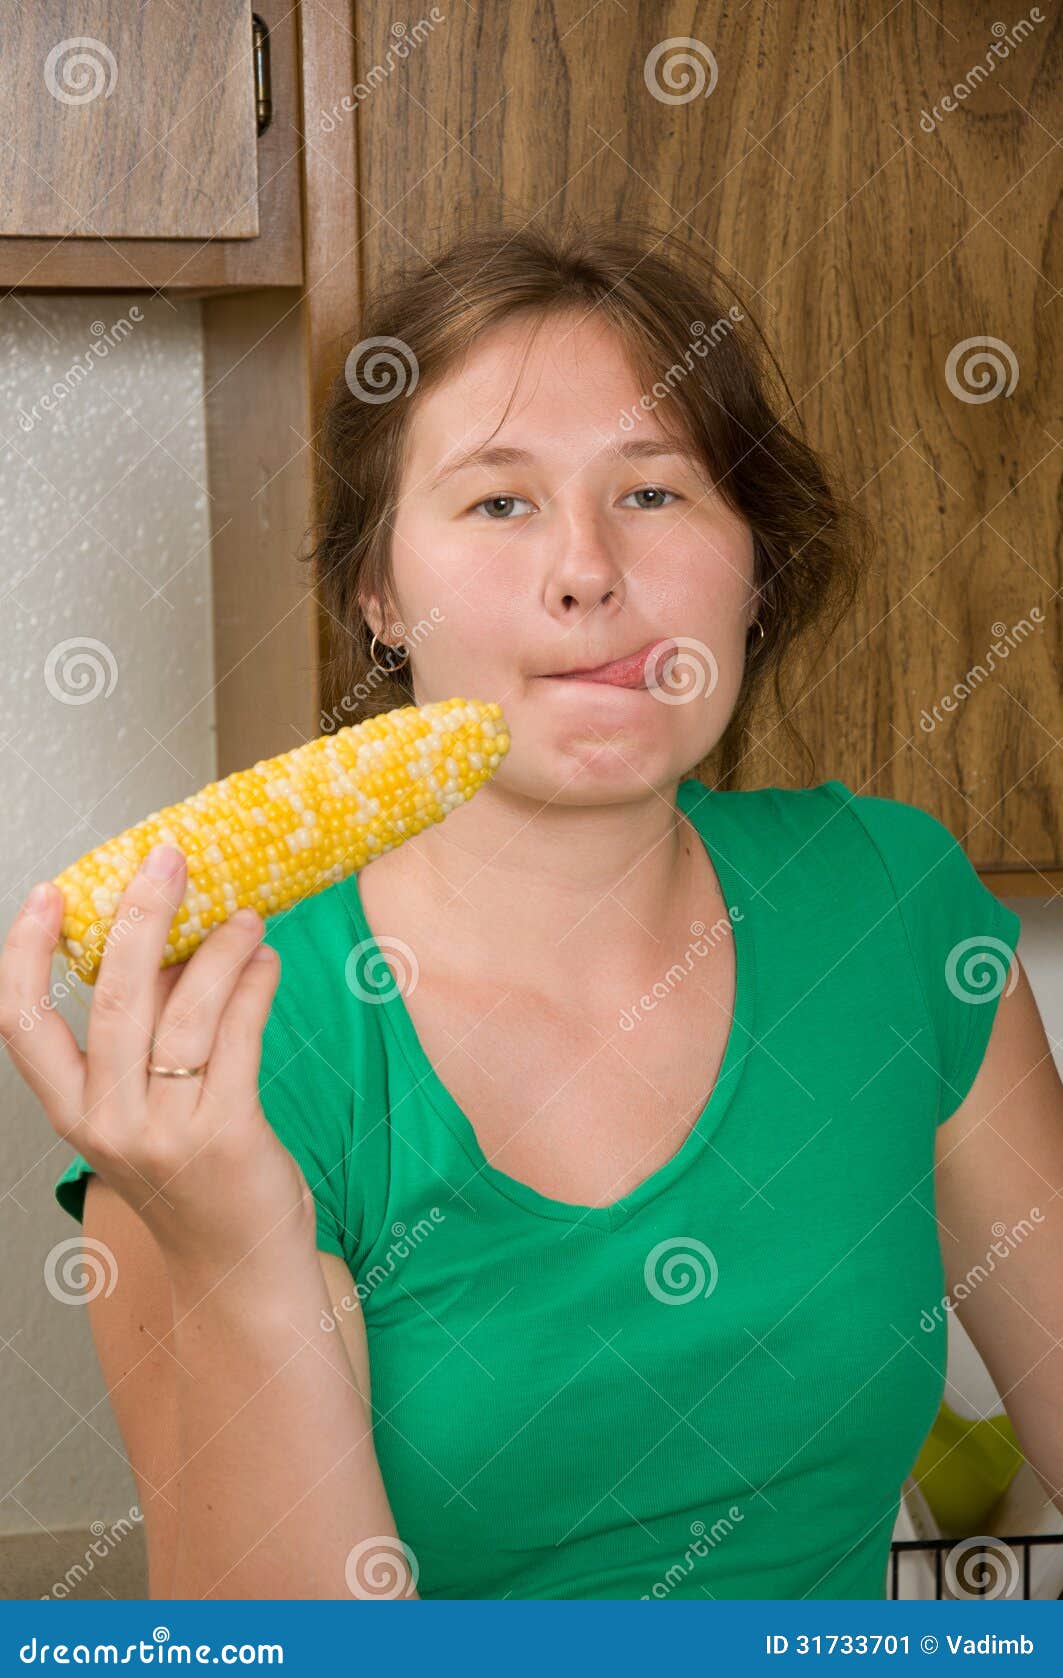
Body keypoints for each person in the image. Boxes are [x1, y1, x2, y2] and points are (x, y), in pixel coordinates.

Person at [5, 219, 1061, 1601]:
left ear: (754, 567)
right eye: (499, 502)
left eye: (658, 493)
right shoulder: (234, 1049)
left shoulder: (894, 901)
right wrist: (238, 1258)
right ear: (380, 592)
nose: (586, 571)